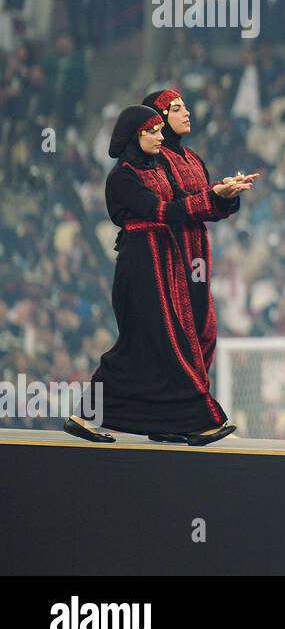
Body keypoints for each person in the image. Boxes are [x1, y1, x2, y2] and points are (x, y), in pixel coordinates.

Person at [63, 106, 251, 444]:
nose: (160, 137)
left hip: (163, 259)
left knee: (140, 348)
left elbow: (188, 202)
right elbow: (162, 211)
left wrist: (222, 192)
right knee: (168, 341)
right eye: (152, 131)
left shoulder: (155, 170)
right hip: (141, 262)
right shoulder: (122, 176)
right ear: (135, 135)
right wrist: (210, 196)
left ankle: (94, 417)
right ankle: (203, 420)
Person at [142, 89, 250, 372]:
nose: (187, 113)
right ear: (160, 118)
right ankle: (191, 407)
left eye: (185, 107)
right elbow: (174, 204)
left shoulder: (192, 157)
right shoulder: (154, 160)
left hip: (198, 249)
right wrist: (215, 194)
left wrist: (226, 195)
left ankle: (198, 401)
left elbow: (206, 206)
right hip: (170, 250)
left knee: (205, 329)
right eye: (176, 109)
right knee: (180, 331)